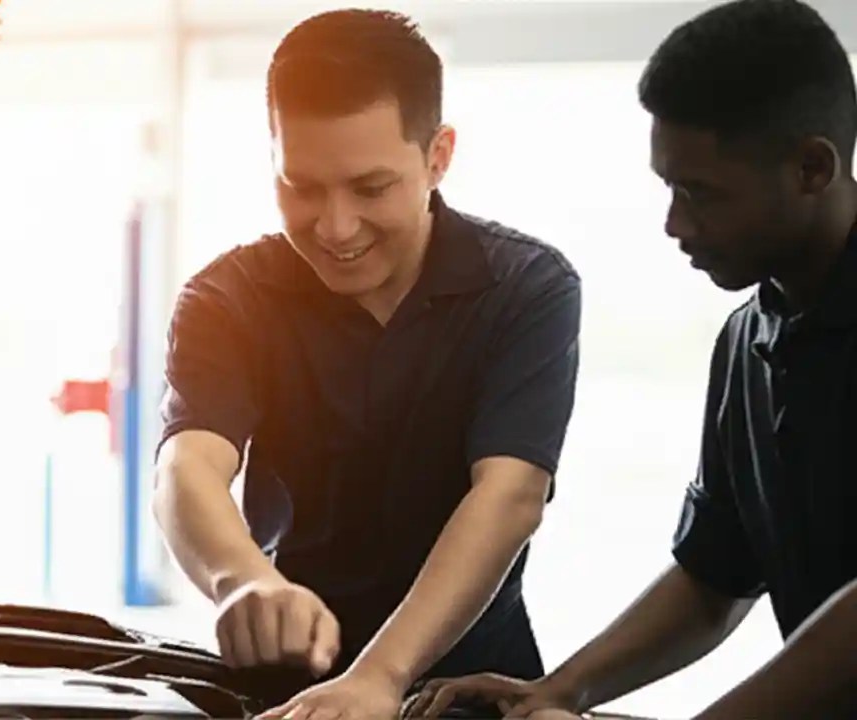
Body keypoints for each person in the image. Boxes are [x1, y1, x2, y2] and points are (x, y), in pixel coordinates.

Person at [407, 1, 857, 718]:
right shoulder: (747, 342)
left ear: (812, 167)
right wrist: (559, 690)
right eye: (669, 188)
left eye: (701, 193)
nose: (675, 224)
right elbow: (714, 577)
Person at [152, 9, 582, 719]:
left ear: (438, 156)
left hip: (472, 690)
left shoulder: (528, 290)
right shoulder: (227, 297)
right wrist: (243, 581)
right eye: (302, 187)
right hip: (288, 691)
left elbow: (509, 496)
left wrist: (381, 676)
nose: (335, 226)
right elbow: (187, 465)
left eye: (370, 188)